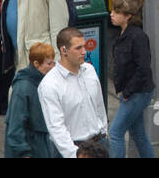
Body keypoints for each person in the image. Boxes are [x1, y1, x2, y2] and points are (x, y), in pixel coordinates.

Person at [40, 27, 108, 158]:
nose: (84, 52)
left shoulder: (89, 70)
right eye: (78, 48)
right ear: (63, 50)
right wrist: (75, 155)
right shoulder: (50, 84)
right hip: (74, 149)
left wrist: (104, 132)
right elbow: (56, 128)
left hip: (100, 144)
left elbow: (99, 106)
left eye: (84, 46)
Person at [107, 0, 155, 159]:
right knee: (138, 134)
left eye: (117, 11)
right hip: (131, 92)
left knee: (115, 132)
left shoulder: (138, 37)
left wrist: (127, 92)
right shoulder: (124, 34)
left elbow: (143, 68)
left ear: (128, 16)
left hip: (137, 93)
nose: (112, 14)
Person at [5, 42, 59, 158]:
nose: (53, 67)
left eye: (53, 62)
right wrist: (24, 152)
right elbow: (16, 124)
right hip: (31, 147)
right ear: (36, 64)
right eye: (49, 63)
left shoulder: (44, 81)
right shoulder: (23, 88)